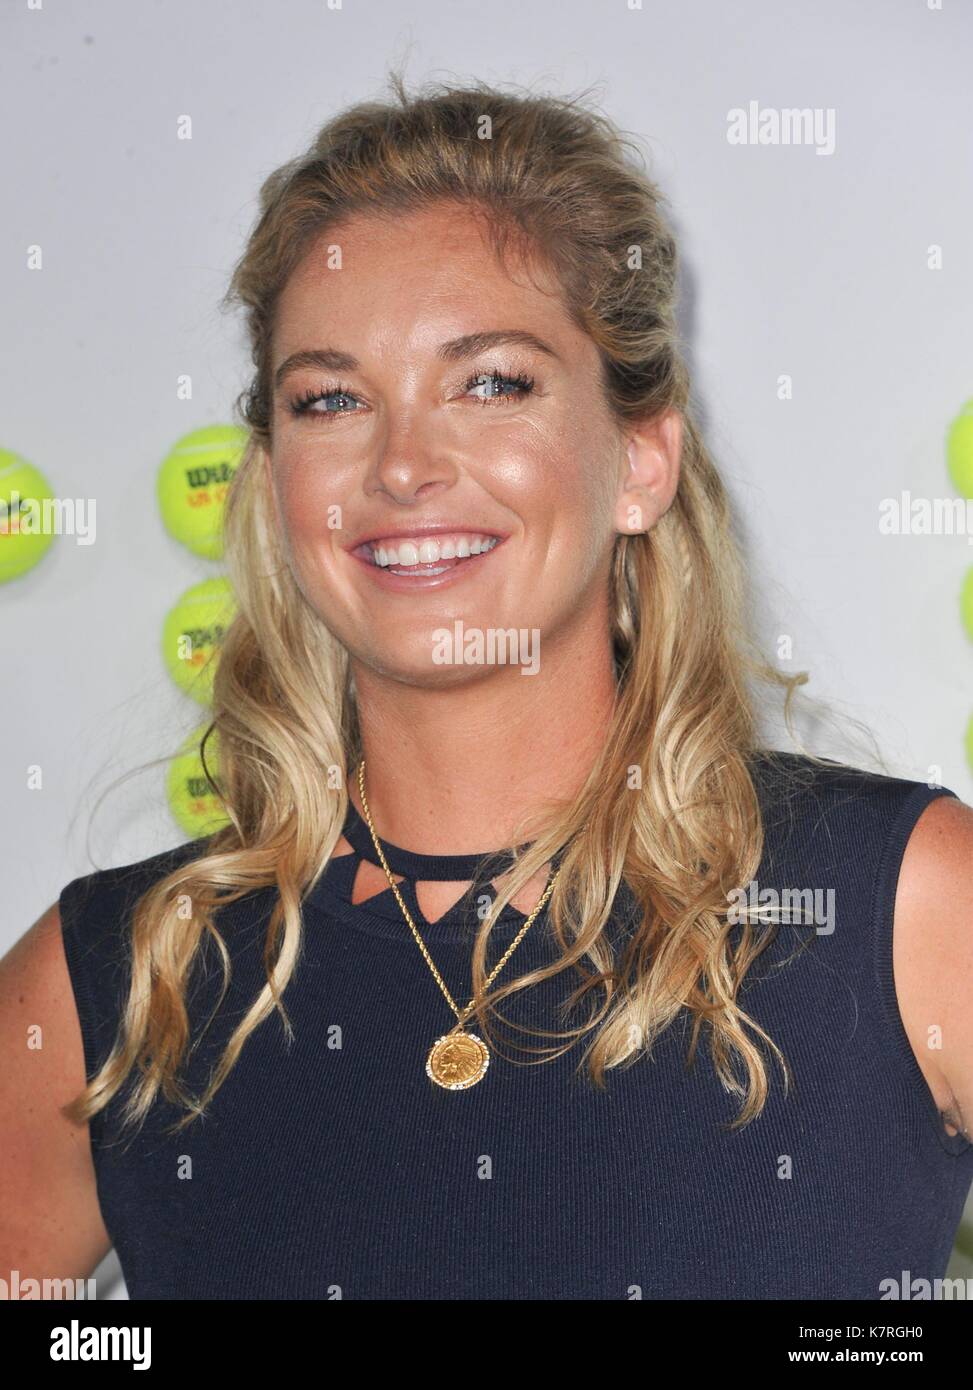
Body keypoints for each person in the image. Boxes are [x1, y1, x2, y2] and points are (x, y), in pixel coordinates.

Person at [2, 75, 971, 1301]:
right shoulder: (122, 973)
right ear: (274, 479)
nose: (404, 464)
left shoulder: (901, 905)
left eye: (492, 382)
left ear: (640, 458)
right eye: (332, 399)